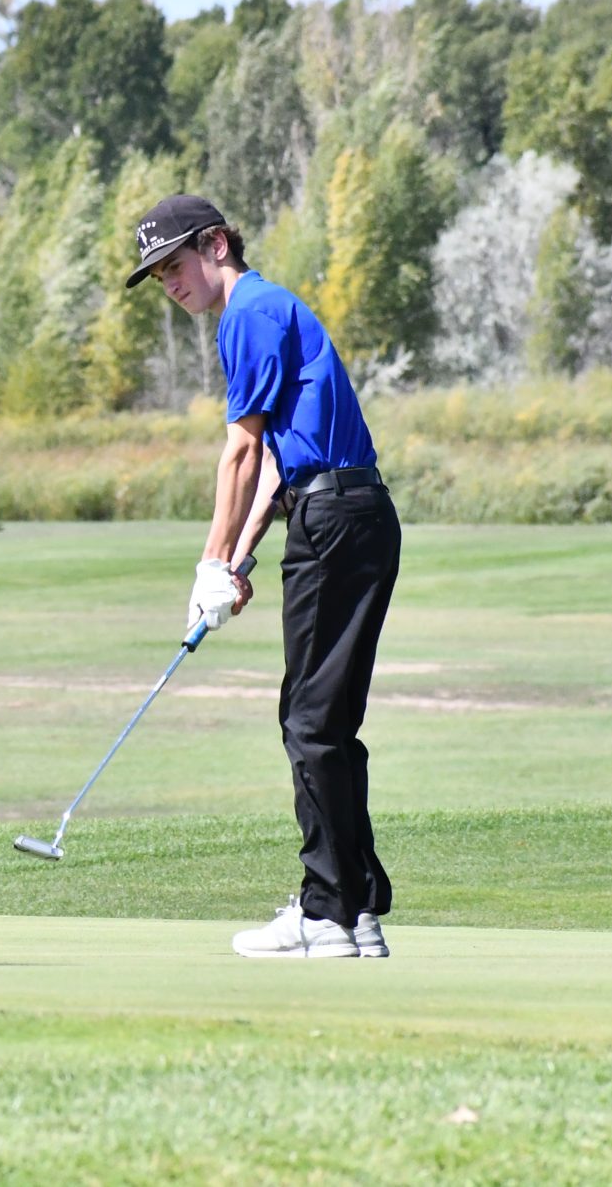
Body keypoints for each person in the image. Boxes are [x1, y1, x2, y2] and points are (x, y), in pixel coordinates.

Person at [125, 194, 402, 959]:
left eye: (174, 265)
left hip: (335, 523)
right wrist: (242, 555)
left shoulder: (246, 313)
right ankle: (355, 907)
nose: (169, 284)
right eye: (157, 276)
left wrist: (210, 563)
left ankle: (324, 911)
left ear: (215, 245)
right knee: (325, 723)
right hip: (357, 515)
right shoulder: (277, 309)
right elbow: (285, 459)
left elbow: (242, 454)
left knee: (309, 722)